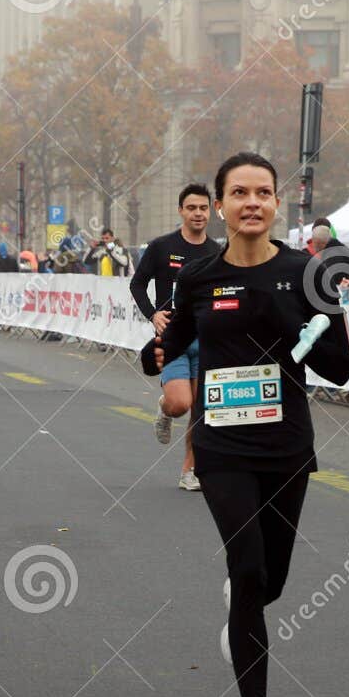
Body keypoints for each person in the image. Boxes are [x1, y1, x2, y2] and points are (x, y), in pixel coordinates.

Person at [141, 151, 349, 697]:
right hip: (222, 446)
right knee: (248, 565)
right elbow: (169, 347)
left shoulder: (307, 271)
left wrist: (312, 323)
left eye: (263, 192)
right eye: (240, 193)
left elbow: (338, 368)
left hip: (286, 444)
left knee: (270, 583)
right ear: (223, 204)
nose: (252, 202)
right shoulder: (200, 277)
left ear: (276, 202)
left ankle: (248, 589)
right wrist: (152, 357)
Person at [132, 183, 221, 490]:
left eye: (203, 208)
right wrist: (153, 314)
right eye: (192, 208)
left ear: (211, 211)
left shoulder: (216, 252)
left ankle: (189, 471)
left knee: (201, 410)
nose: (198, 213)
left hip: (205, 339)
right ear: (181, 211)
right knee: (181, 404)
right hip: (173, 339)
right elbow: (137, 284)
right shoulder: (161, 246)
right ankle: (164, 407)